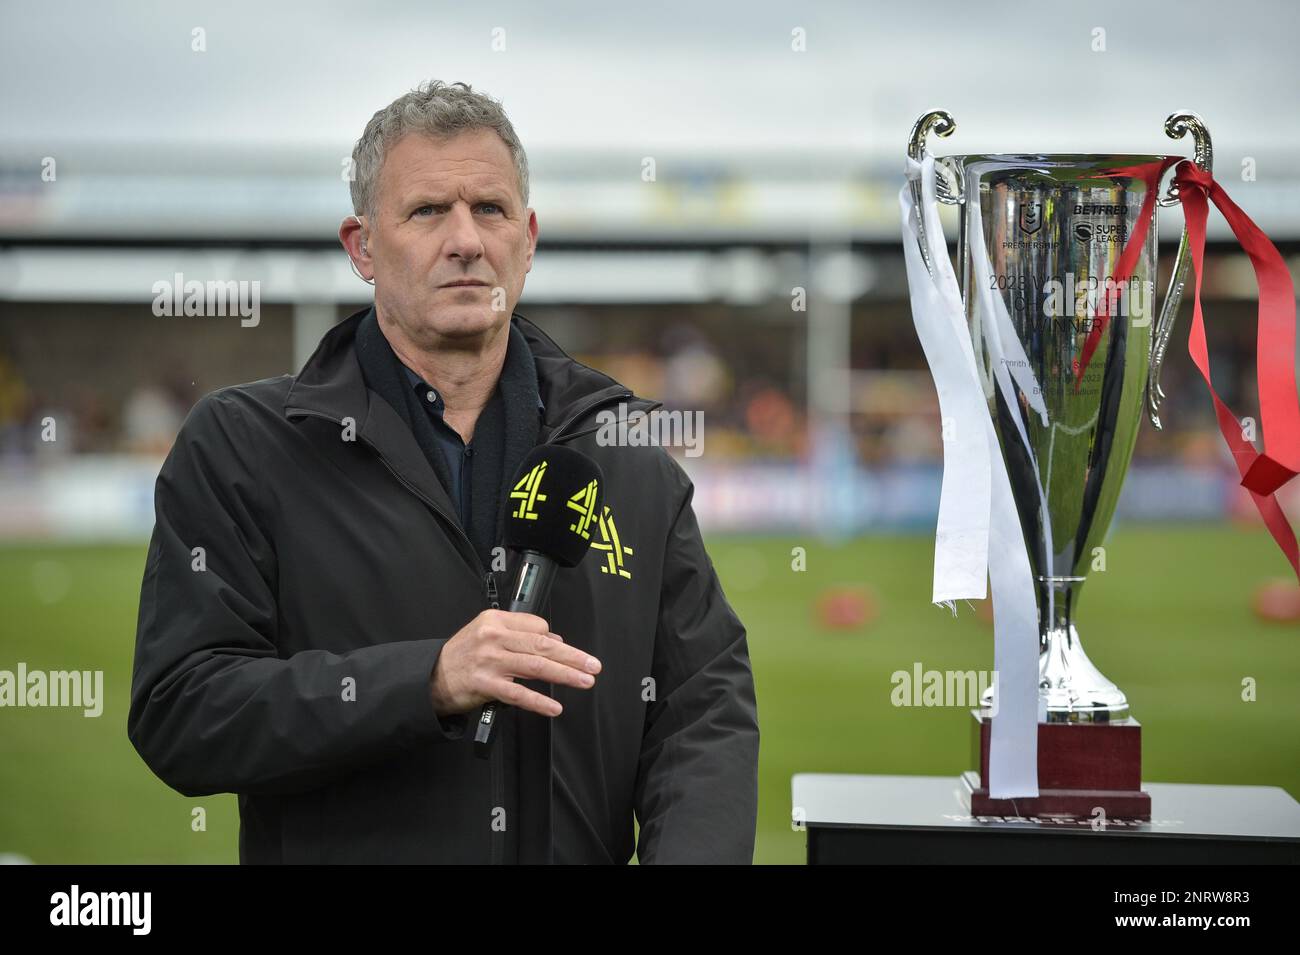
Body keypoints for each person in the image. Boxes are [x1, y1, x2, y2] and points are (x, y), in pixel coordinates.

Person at [127, 79, 759, 864]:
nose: (466, 239)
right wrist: (423, 680)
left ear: (527, 239)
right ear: (362, 247)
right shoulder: (244, 445)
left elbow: (705, 709)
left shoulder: (622, 451)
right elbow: (180, 710)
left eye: (489, 210)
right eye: (428, 211)